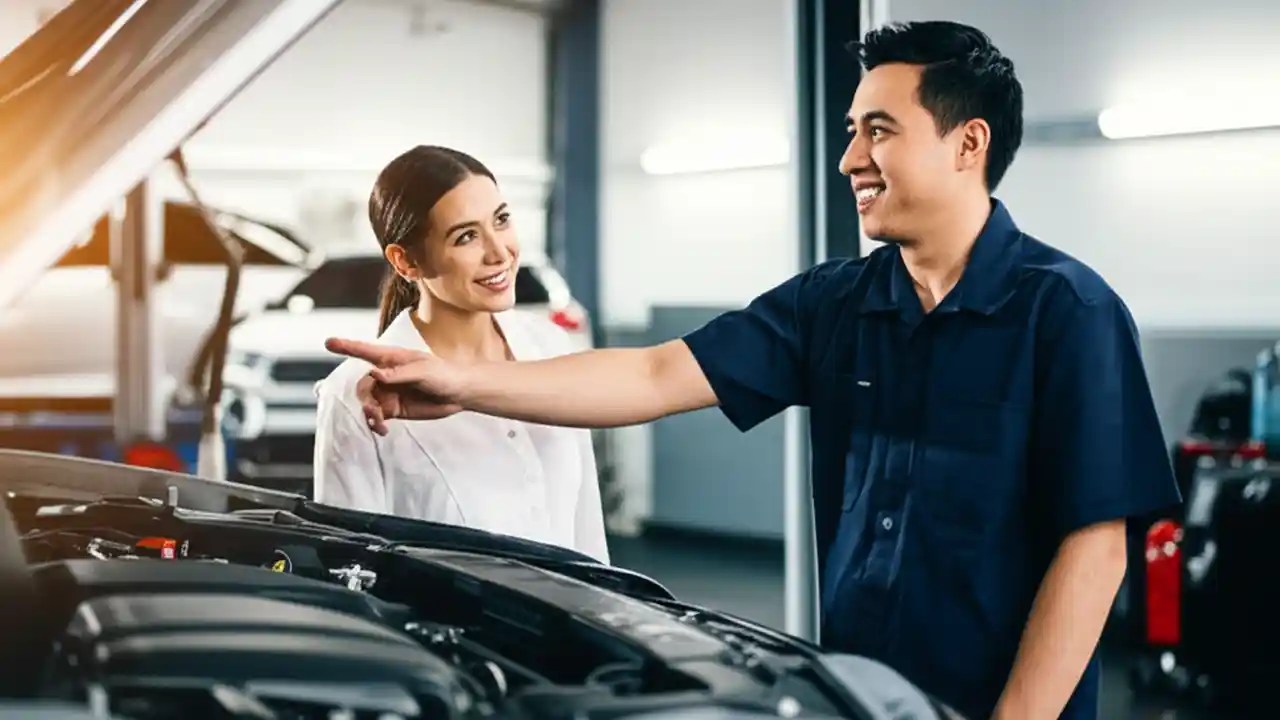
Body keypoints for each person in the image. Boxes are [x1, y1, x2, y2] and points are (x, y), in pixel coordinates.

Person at [324, 22, 1180, 720]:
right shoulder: (834, 303)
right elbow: (657, 375)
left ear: (969, 144)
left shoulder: (1067, 311)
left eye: (877, 130)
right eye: (850, 131)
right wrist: (460, 383)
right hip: (856, 696)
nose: (849, 159)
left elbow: (1095, 548)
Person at [312, 145, 610, 565]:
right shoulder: (357, 393)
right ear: (405, 261)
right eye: (466, 236)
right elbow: (352, 567)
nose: (499, 252)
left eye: (501, 220)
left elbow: (586, 532)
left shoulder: (549, 345)